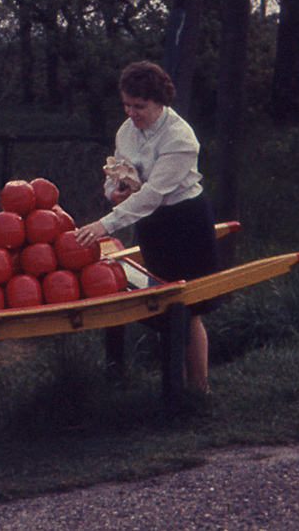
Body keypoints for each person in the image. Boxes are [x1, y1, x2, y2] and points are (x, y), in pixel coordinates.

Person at [74, 61, 219, 395]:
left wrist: (105, 224)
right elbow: (117, 172)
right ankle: (174, 384)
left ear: (160, 102)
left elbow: (154, 193)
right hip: (152, 223)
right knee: (162, 304)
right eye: (126, 104)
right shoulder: (126, 131)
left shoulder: (180, 139)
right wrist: (114, 191)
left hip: (186, 221)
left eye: (139, 106)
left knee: (188, 308)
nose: (131, 112)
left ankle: (199, 390)